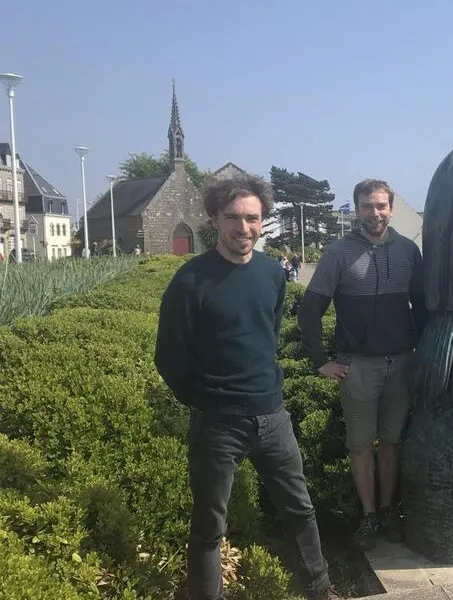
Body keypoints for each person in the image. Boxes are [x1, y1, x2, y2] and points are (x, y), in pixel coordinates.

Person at [154, 175, 342, 600]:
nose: (244, 228)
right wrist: (204, 400)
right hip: (217, 423)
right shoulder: (190, 280)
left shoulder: (272, 273)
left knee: (299, 510)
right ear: (215, 220)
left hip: (273, 416)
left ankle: (320, 590)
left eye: (253, 218)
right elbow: (168, 357)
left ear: (263, 220)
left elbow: (267, 332)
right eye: (234, 218)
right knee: (209, 526)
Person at [298, 178, 426, 551]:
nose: (375, 213)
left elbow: (422, 307)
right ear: (356, 209)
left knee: (391, 442)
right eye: (368, 206)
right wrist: (321, 360)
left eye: (381, 206)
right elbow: (310, 309)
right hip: (357, 367)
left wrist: (425, 351)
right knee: (359, 446)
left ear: (390, 208)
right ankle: (369, 516)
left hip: (402, 363)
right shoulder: (338, 253)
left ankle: (388, 511)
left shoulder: (408, 252)